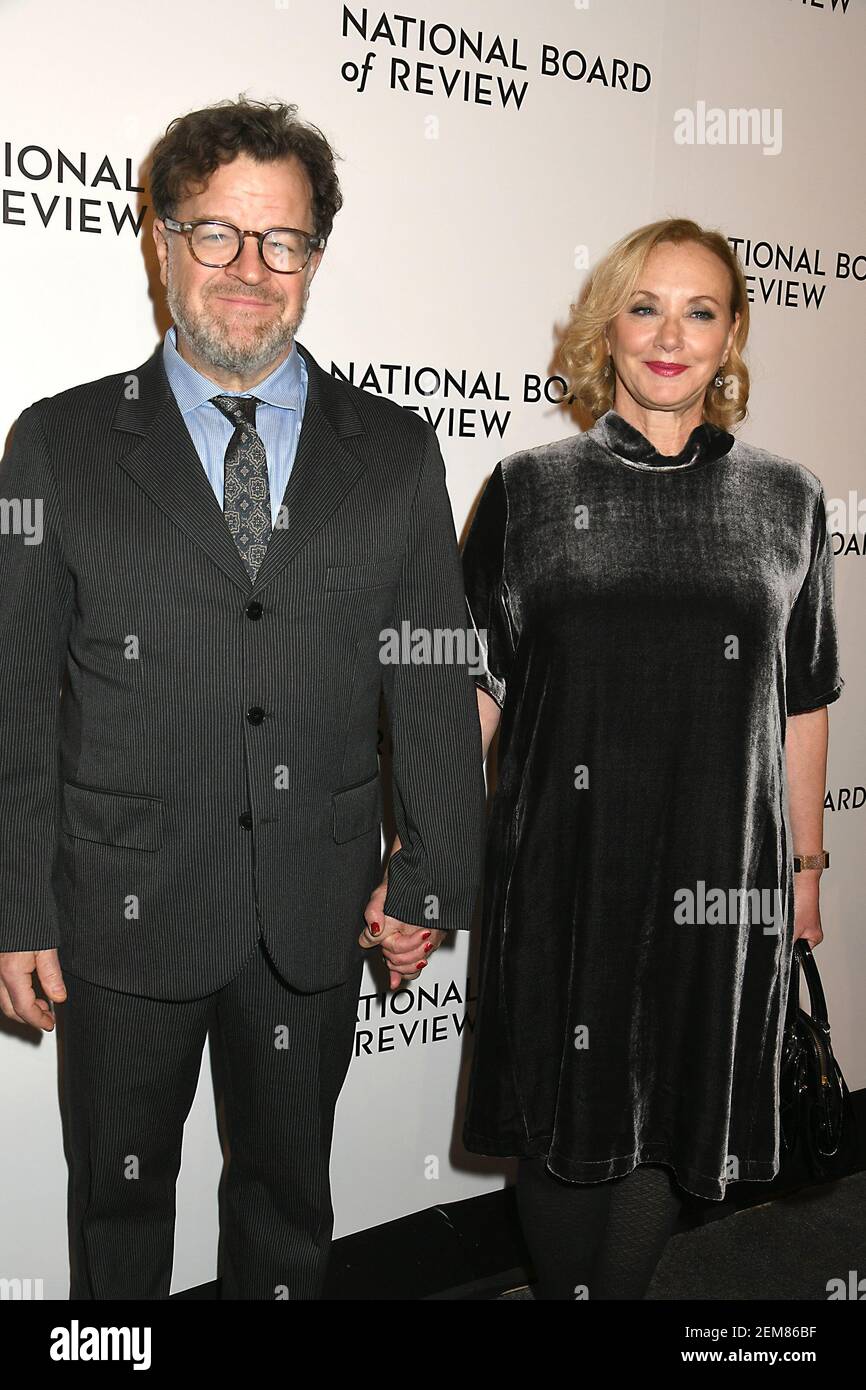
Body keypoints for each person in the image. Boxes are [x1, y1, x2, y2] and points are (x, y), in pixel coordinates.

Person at [0, 96, 485, 1300]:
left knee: (286, 1204)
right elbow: (12, 693)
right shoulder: (57, 444)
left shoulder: (394, 447)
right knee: (116, 1211)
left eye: (282, 241)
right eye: (215, 234)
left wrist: (428, 872)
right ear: (160, 243)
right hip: (119, 909)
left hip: (311, 913)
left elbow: (429, 669)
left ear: (315, 257)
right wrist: (15, 903)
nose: (249, 269)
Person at [450, 217, 843, 1300]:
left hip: (719, 870)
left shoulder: (786, 498)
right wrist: (427, 849)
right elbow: (474, 689)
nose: (669, 335)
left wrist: (802, 873)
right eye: (643, 306)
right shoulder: (527, 487)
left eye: (699, 311)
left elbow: (801, 702)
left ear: (729, 341)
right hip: (562, 863)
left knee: (676, 1114)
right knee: (558, 1112)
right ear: (606, 330)